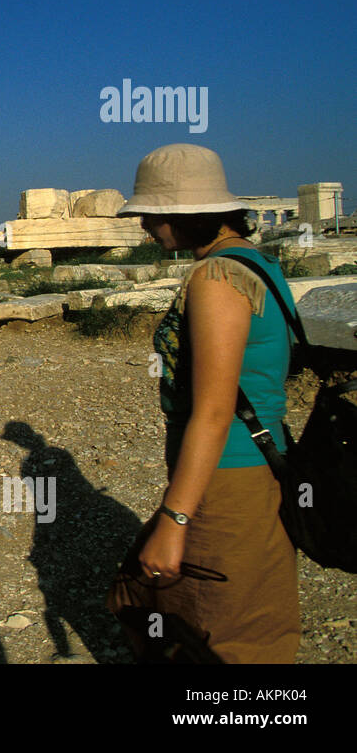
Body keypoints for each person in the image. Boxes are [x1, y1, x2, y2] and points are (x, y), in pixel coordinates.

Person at [112, 143, 300, 663]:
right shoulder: (257, 262)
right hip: (260, 463)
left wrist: (175, 519)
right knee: (247, 614)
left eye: (153, 214)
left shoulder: (216, 278)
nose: (146, 226)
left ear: (184, 214)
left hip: (227, 474)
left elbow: (214, 411)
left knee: (215, 628)